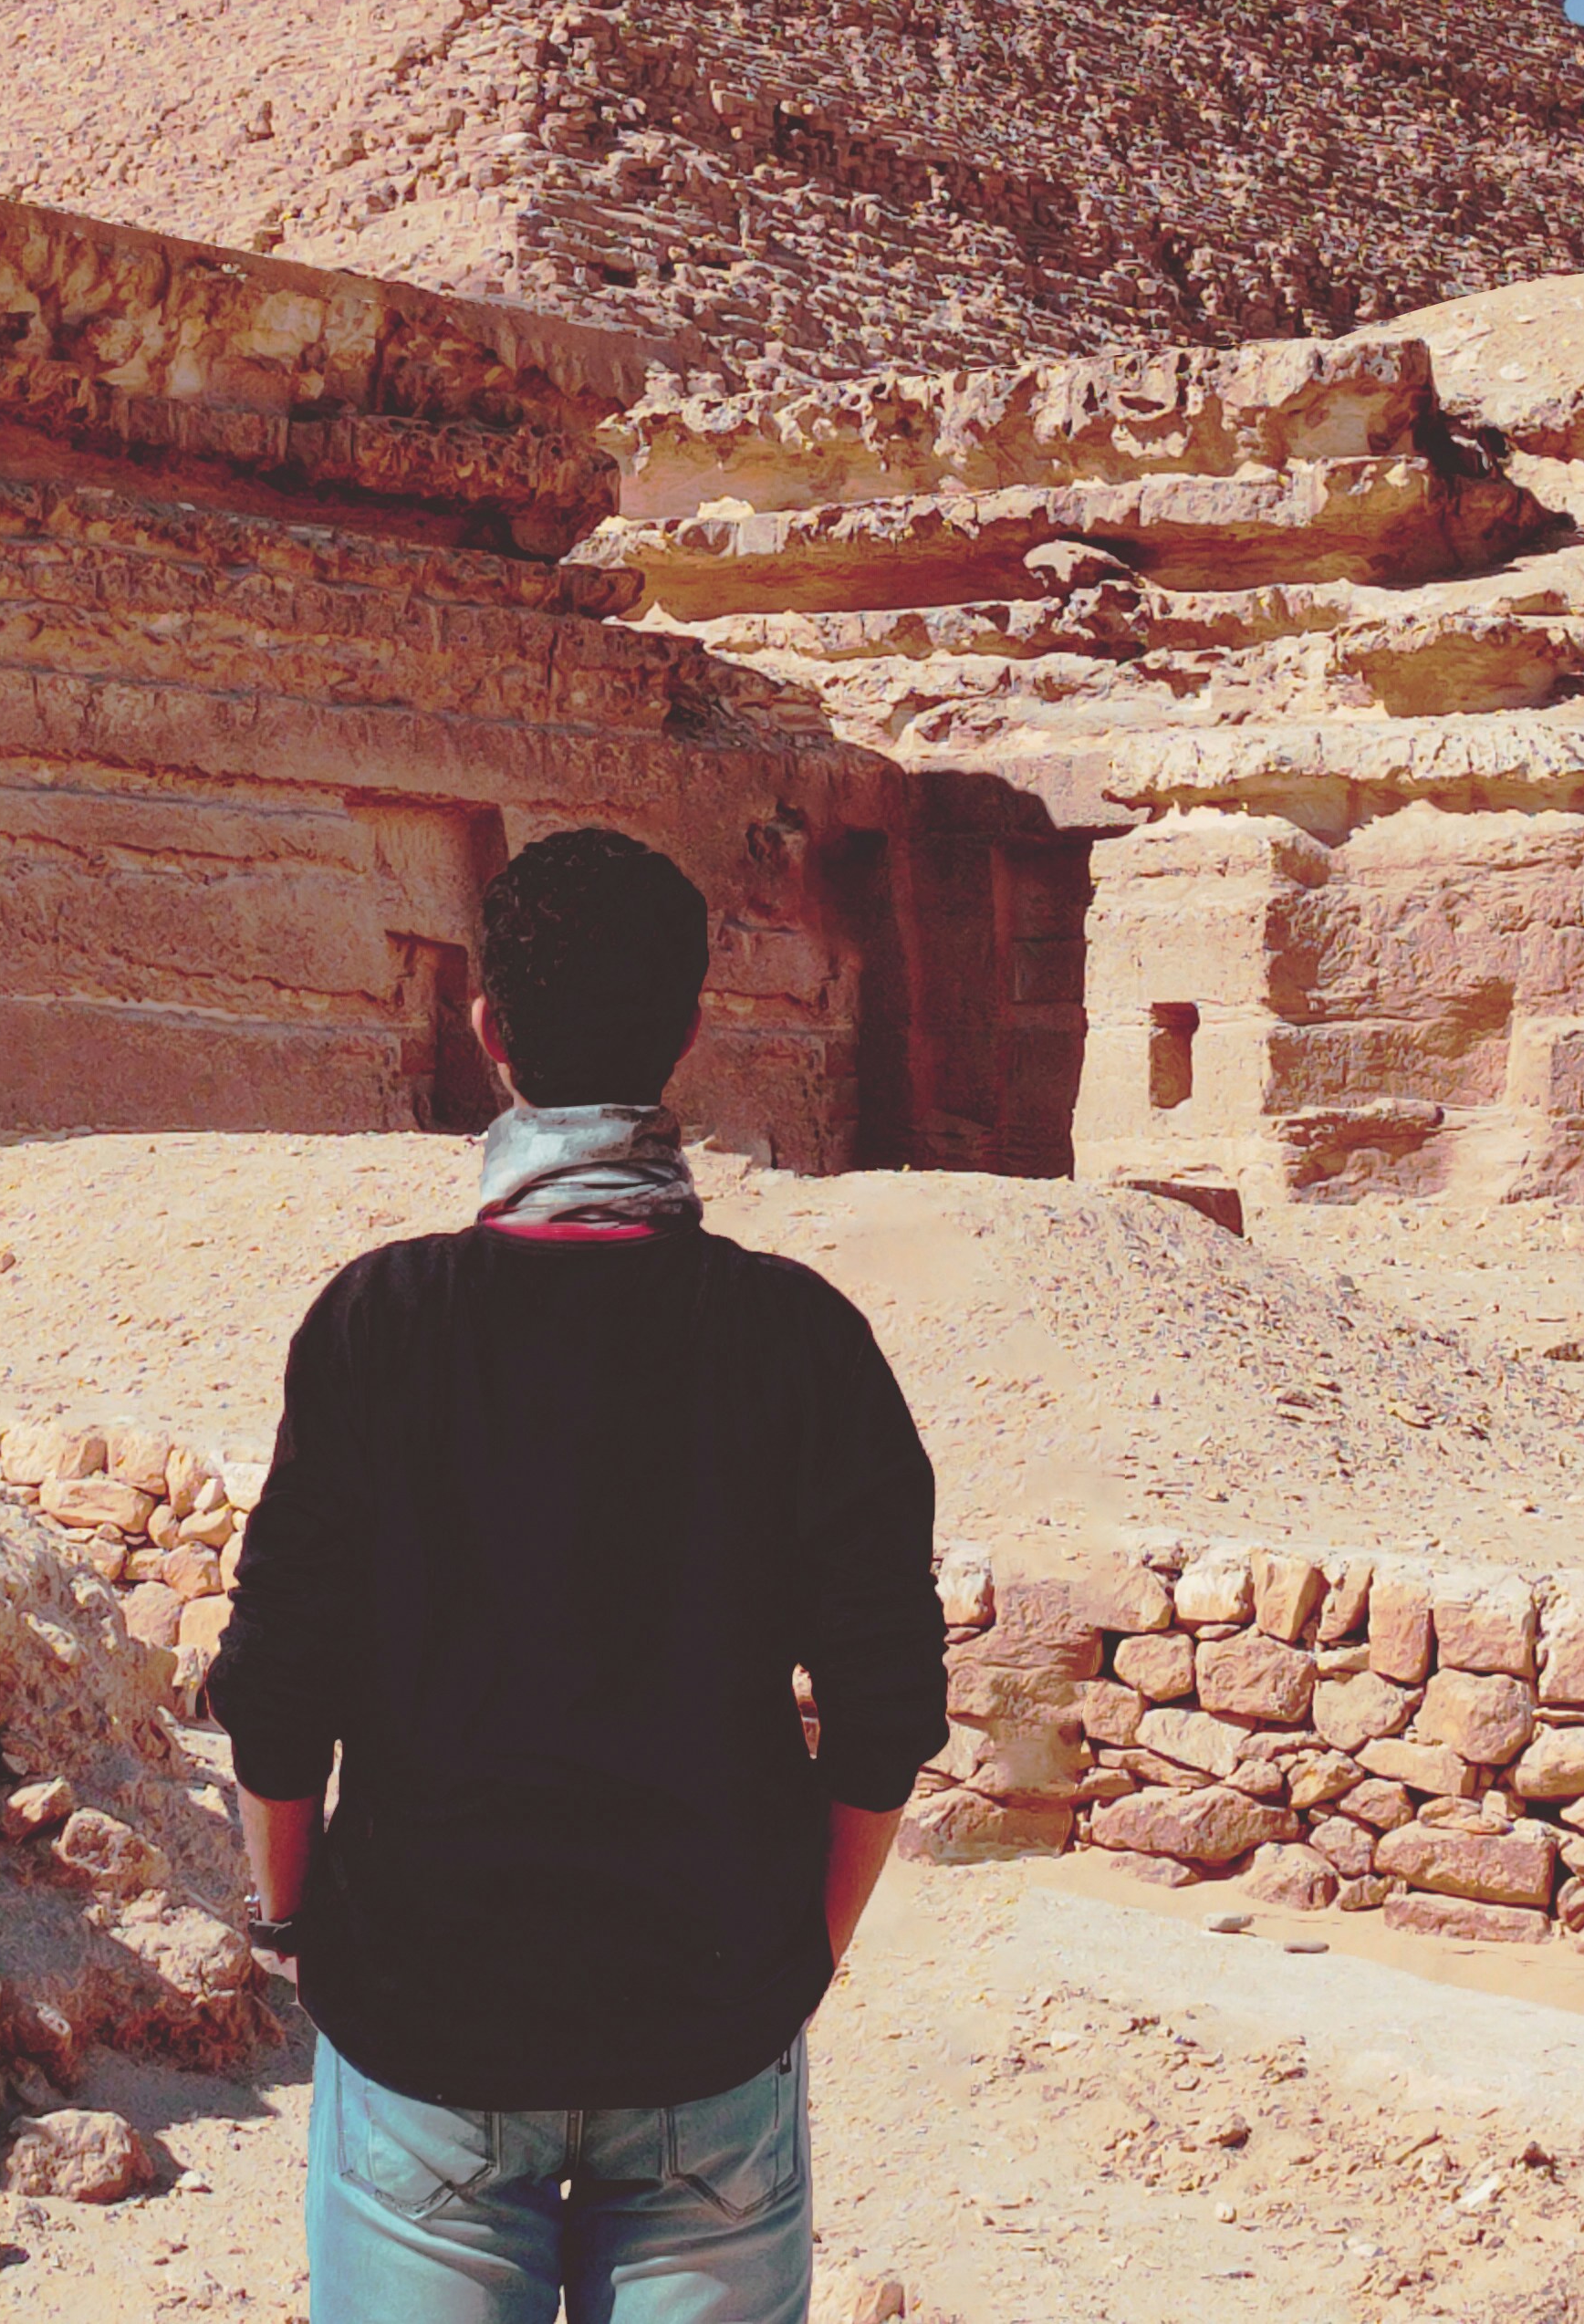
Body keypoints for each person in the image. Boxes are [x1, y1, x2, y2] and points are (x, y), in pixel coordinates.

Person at [207, 824, 948, 2324]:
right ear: (689, 1034)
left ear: (487, 1034)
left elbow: (281, 1687)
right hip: (706, 2030)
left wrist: (286, 1920)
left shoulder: (376, 1326)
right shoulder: (799, 1341)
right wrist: (800, 1954)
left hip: (426, 2020)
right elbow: (887, 1704)